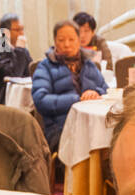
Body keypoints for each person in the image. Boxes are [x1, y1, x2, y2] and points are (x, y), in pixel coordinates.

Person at [32, 20, 107, 152]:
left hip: (91, 126)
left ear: (79, 41)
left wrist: (95, 92)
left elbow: (106, 90)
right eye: (61, 40)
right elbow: (40, 100)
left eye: (71, 39)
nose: (67, 44)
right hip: (60, 129)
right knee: (87, 145)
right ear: (55, 42)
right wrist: (76, 99)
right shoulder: (45, 66)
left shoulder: (89, 64)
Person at [0, 13, 31, 104]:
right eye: (17, 30)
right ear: (5, 32)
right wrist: (20, 50)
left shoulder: (21, 49)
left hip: (21, 98)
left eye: (22, 29)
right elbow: (14, 75)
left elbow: (30, 73)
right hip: (3, 101)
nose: (21, 33)